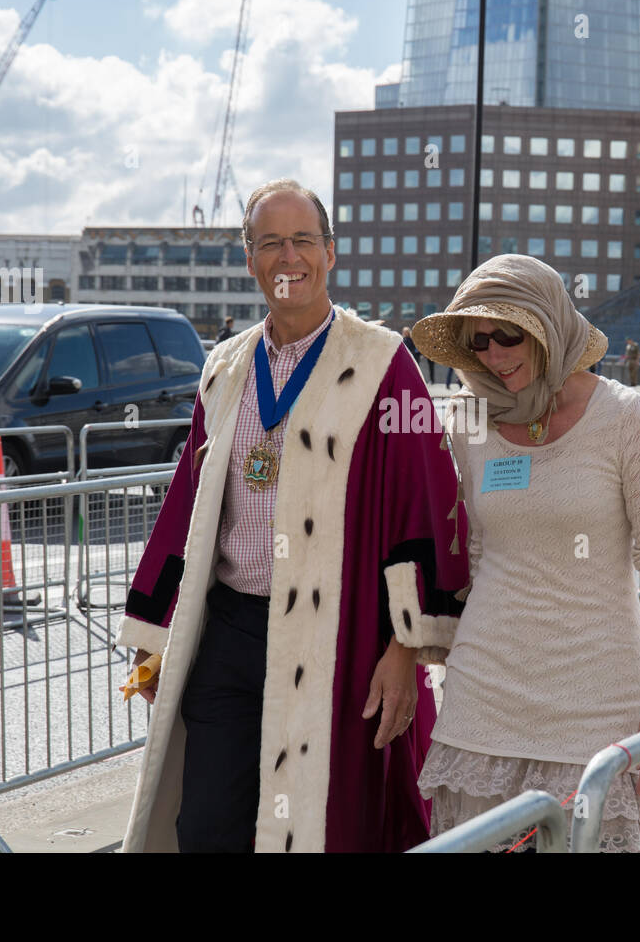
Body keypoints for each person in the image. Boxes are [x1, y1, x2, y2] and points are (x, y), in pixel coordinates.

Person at [113, 178, 468, 853]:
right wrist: (156, 631)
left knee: (320, 828)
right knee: (208, 826)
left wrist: (406, 648)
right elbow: (188, 503)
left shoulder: (384, 364)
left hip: (340, 640)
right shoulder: (223, 368)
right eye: (270, 242)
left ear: (330, 254)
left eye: (303, 239)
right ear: (250, 260)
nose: (289, 256)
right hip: (231, 634)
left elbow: (425, 505)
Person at [409, 254, 640, 852]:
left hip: (597, 696)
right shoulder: (469, 420)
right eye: (477, 340)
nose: (494, 353)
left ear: (548, 326)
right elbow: (477, 553)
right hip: (485, 696)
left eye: (509, 333)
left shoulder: (625, 418)